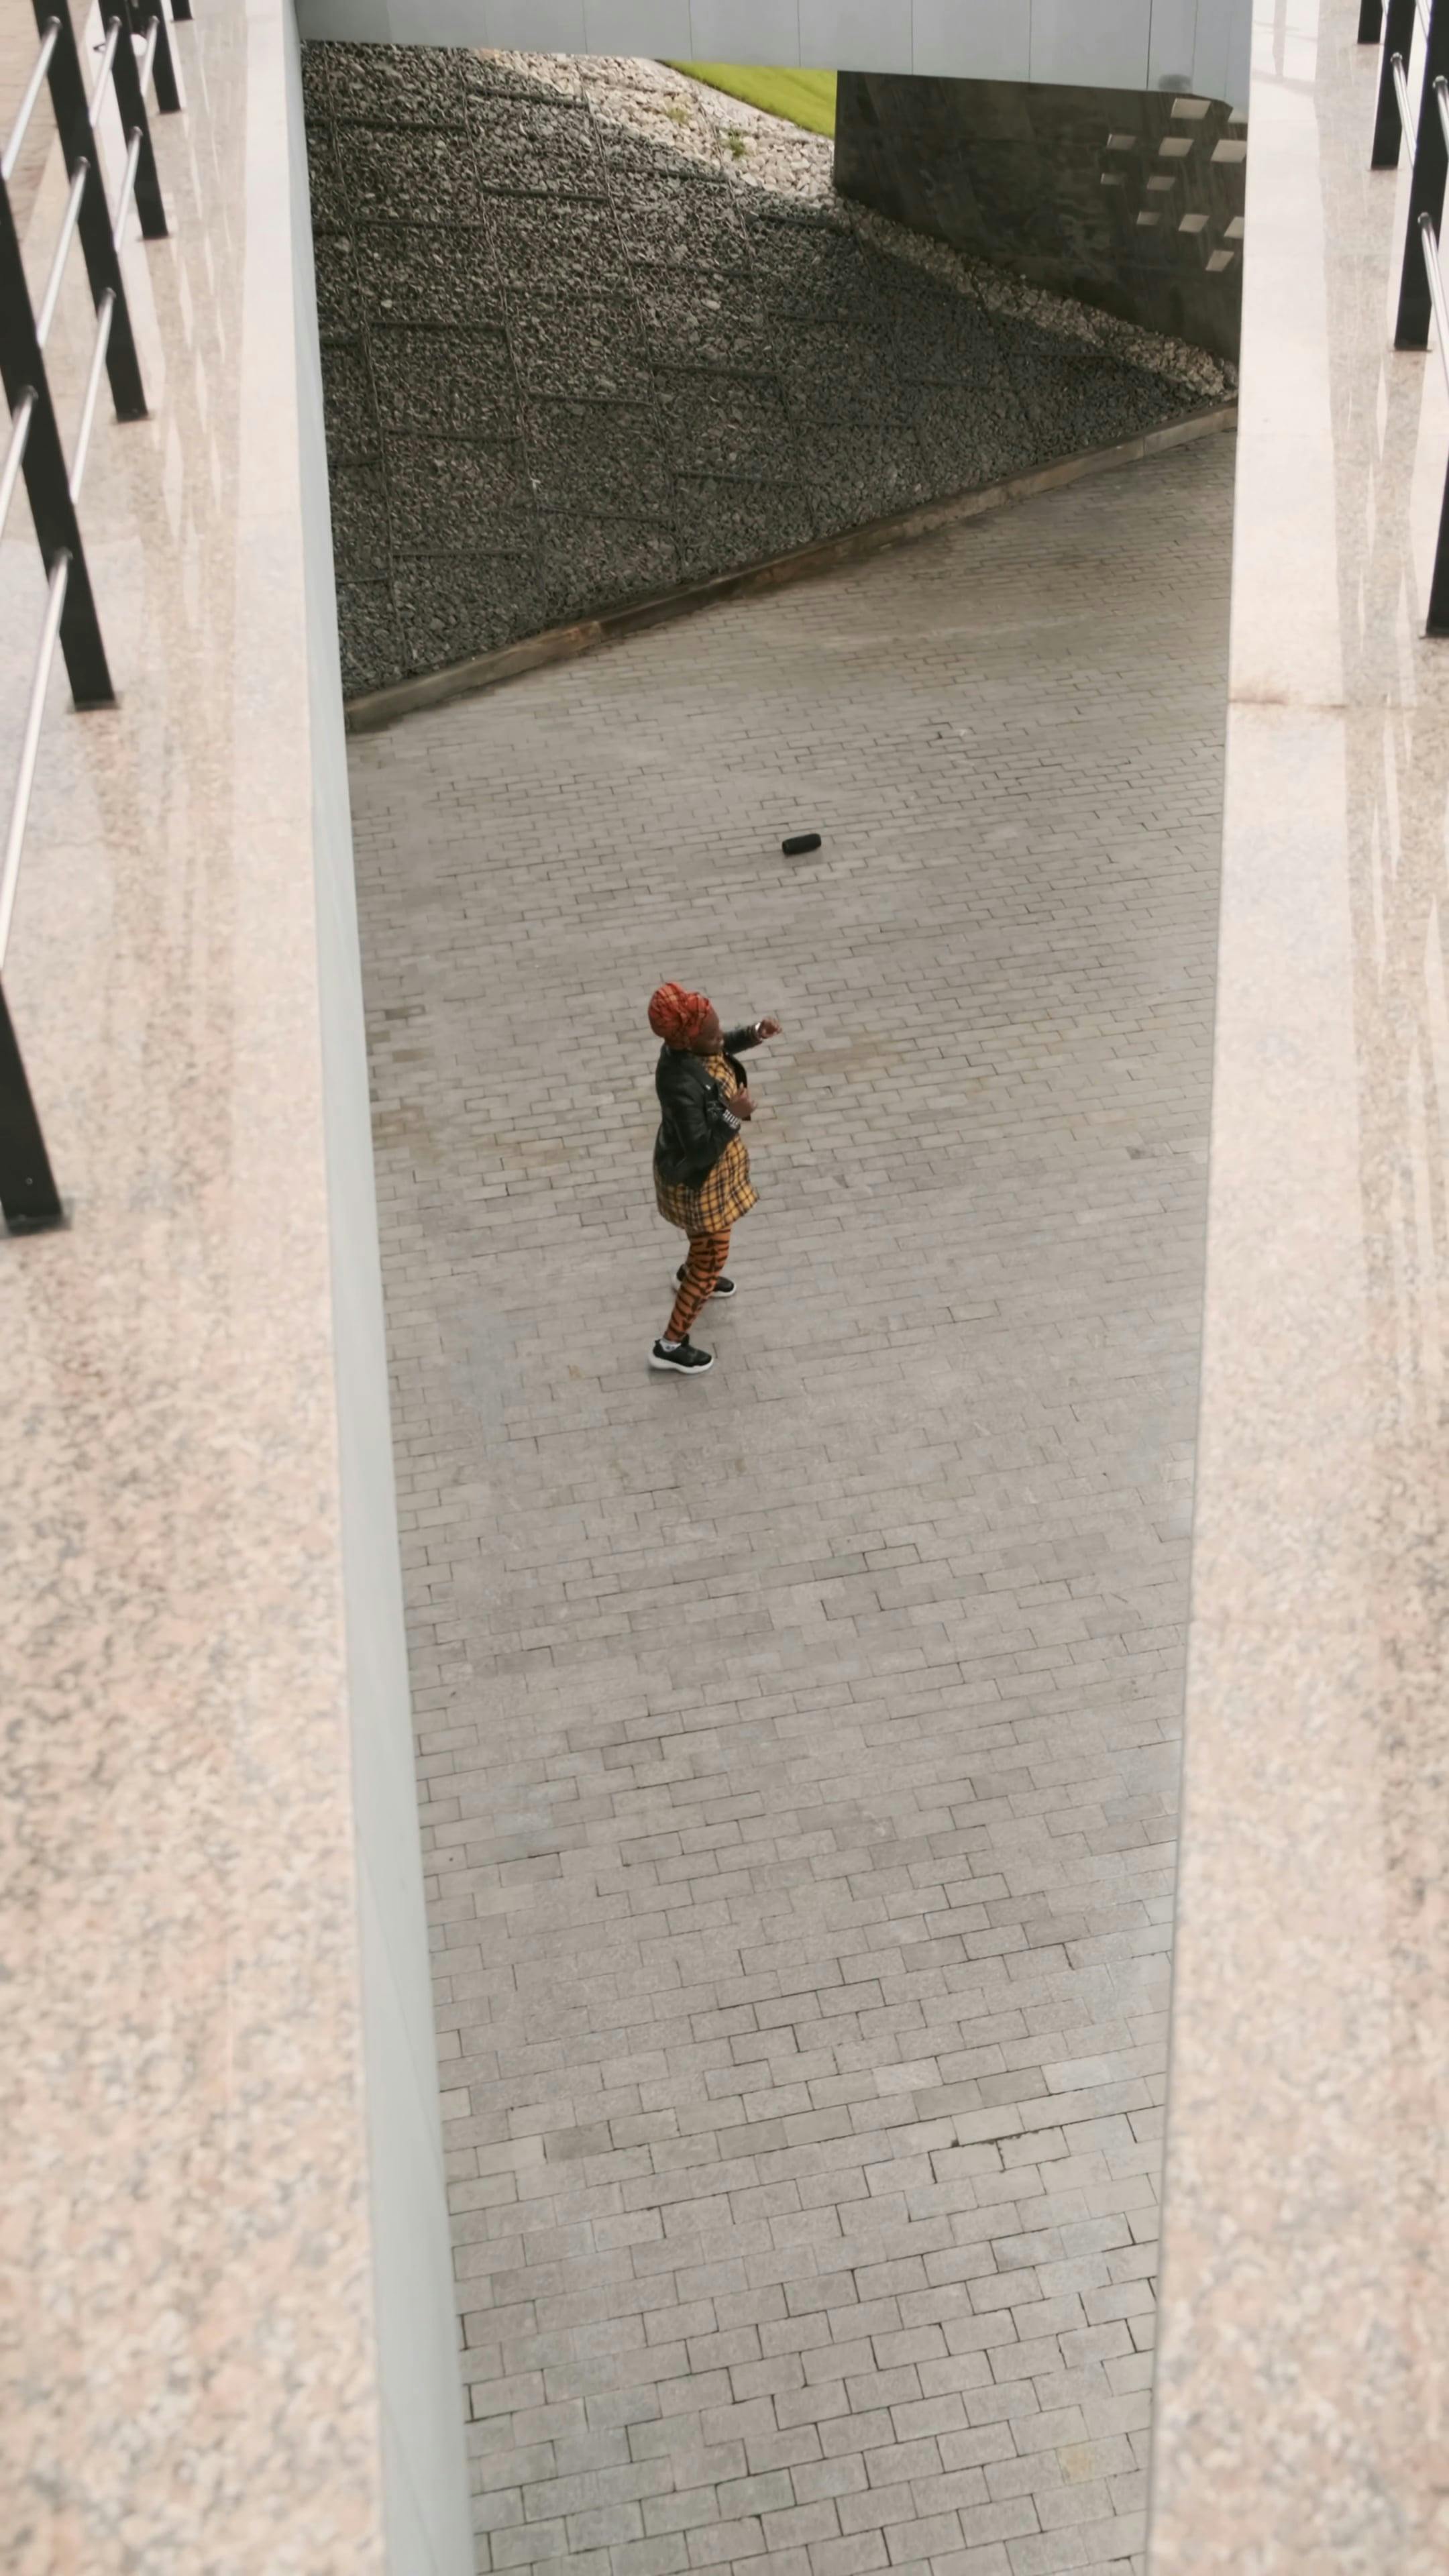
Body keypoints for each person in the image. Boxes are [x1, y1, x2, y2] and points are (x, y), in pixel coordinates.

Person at [646, 983, 782, 1376]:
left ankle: (690, 1272)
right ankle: (670, 1345)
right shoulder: (679, 1084)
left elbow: (721, 1045)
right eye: (712, 1034)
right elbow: (702, 1149)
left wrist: (755, 1033)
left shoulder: (689, 1048)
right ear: (689, 1041)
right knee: (713, 1256)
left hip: (712, 1177)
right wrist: (732, 1114)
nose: (720, 1037)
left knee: (702, 1246)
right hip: (700, 1181)